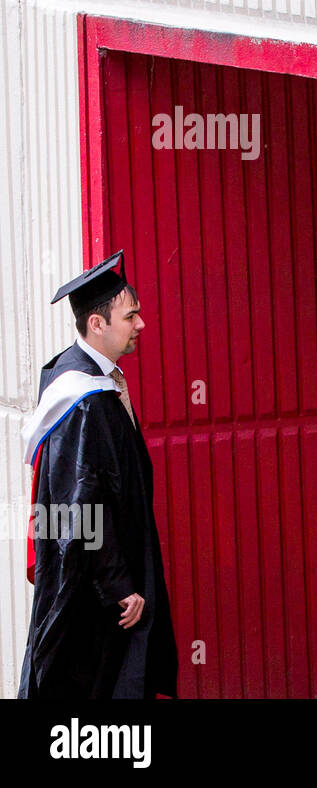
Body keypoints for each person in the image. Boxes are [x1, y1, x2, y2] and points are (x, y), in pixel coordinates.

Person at [18, 249, 179, 698]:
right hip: (93, 585)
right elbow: (82, 505)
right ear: (97, 323)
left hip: (93, 573)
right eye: (131, 316)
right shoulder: (83, 400)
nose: (141, 325)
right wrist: (119, 585)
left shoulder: (76, 376)